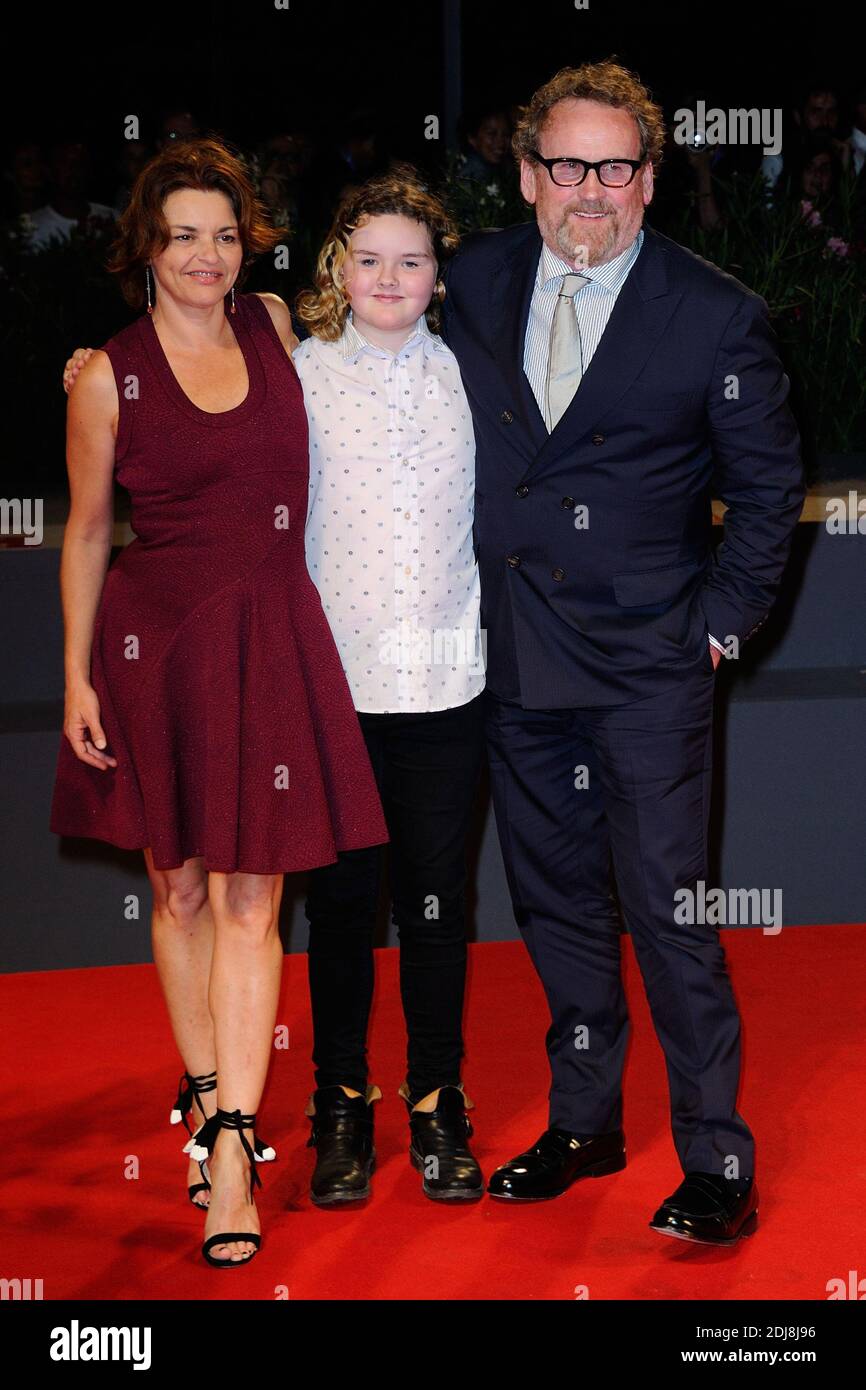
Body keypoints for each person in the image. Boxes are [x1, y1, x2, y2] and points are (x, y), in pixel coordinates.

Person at [440, 60, 805, 1244]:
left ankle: (713, 1153)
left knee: (669, 911)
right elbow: (362, 351)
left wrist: (717, 625)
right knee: (552, 907)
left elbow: (766, 494)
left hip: (648, 664)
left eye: (610, 166)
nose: (585, 189)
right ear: (526, 173)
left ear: (646, 181)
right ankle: (586, 1123)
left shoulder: (711, 312)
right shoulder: (473, 279)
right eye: (563, 164)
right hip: (511, 657)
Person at [50, 137, 388, 1268]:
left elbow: (395, 314)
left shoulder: (277, 329)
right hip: (156, 648)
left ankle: (233, 1152)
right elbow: (90, 529)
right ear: (146, 246)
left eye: (225, 235)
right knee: (181, 884)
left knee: (257, 892)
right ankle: (203, 1094)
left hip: (272, 636)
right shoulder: (105, 375)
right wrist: (74, 673)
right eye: (184, 235)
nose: (207, 255)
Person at [292, 167, 487, 1203]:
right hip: (332, 692)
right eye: (367, 257)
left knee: (436, 906)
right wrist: (99, 364)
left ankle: (437, 1097)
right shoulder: (295, 371)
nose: (388, 276)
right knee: (340, 910)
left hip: (447, 687)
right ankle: (339, 1104)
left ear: (437, 277)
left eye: (410, 260)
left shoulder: (471, 372)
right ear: (337, 264)